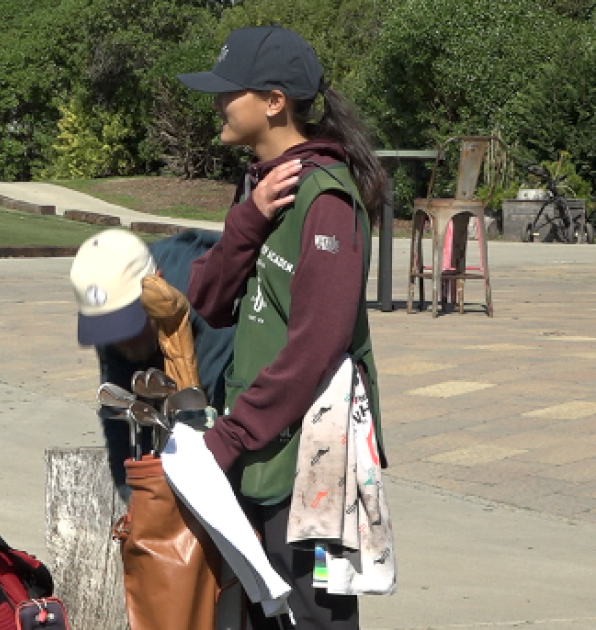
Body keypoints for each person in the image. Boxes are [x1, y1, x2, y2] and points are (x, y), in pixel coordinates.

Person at [179, 26, 388, 629]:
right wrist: (248, 219)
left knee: (316, 619)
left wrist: (229, 438)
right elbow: (209, 299)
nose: (219, 103)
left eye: (230, 91)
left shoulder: (326, 198)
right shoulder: (264, 185)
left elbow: (316, 349)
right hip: (258, 449)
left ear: (274, 101)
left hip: (312, 460)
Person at [69, 228, 236, 498]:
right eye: (111, 330)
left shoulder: (210, 297)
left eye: (128, 326)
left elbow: (224, 426)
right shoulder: (114, 299)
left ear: (157, 285)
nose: (121, 342)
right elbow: (120, 421)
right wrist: (136, 501)